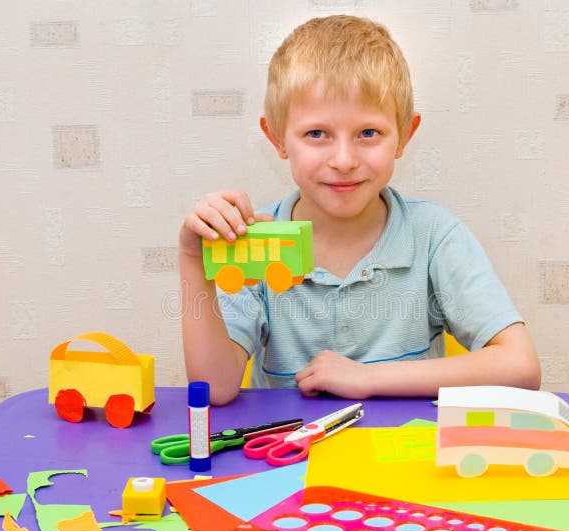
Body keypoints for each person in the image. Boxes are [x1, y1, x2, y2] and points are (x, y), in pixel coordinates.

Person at [179, 14, 540, 405]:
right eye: (317, 134)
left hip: (404, 458)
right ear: (277, 138)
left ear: (404, 135)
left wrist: (368, 378)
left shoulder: (435, 234)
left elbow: (520, 365)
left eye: (368, 133)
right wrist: (192, 261)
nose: (344, 159)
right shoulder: (254, 240)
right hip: (296, 460)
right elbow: (215, 389)